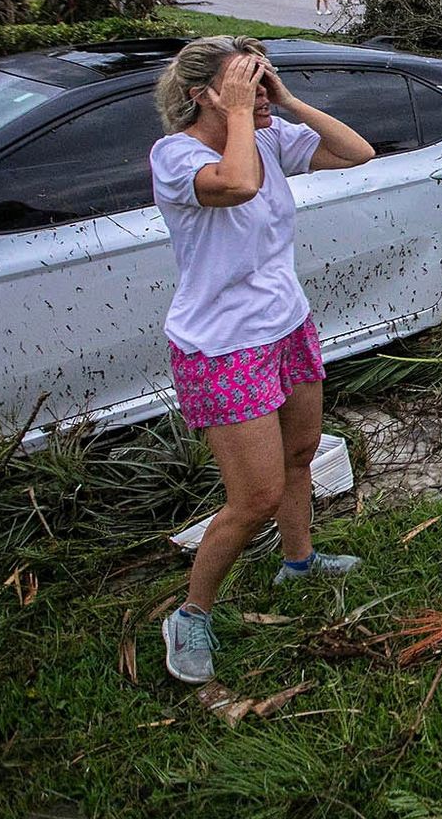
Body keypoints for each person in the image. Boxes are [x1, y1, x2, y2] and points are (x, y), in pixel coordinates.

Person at [150, 36, 376, 684]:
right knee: (254, 497)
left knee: (302, 455)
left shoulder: (270, 137)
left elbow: (356, 151)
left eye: (260, 77)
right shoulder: (176, 155)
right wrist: (245, 115)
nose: (257, 88)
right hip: (223, 348)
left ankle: (299, 560)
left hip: (286, 326)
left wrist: (286, 99)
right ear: (202, 96)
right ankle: (191, 615)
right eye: (243, 80)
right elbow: (238, 184)